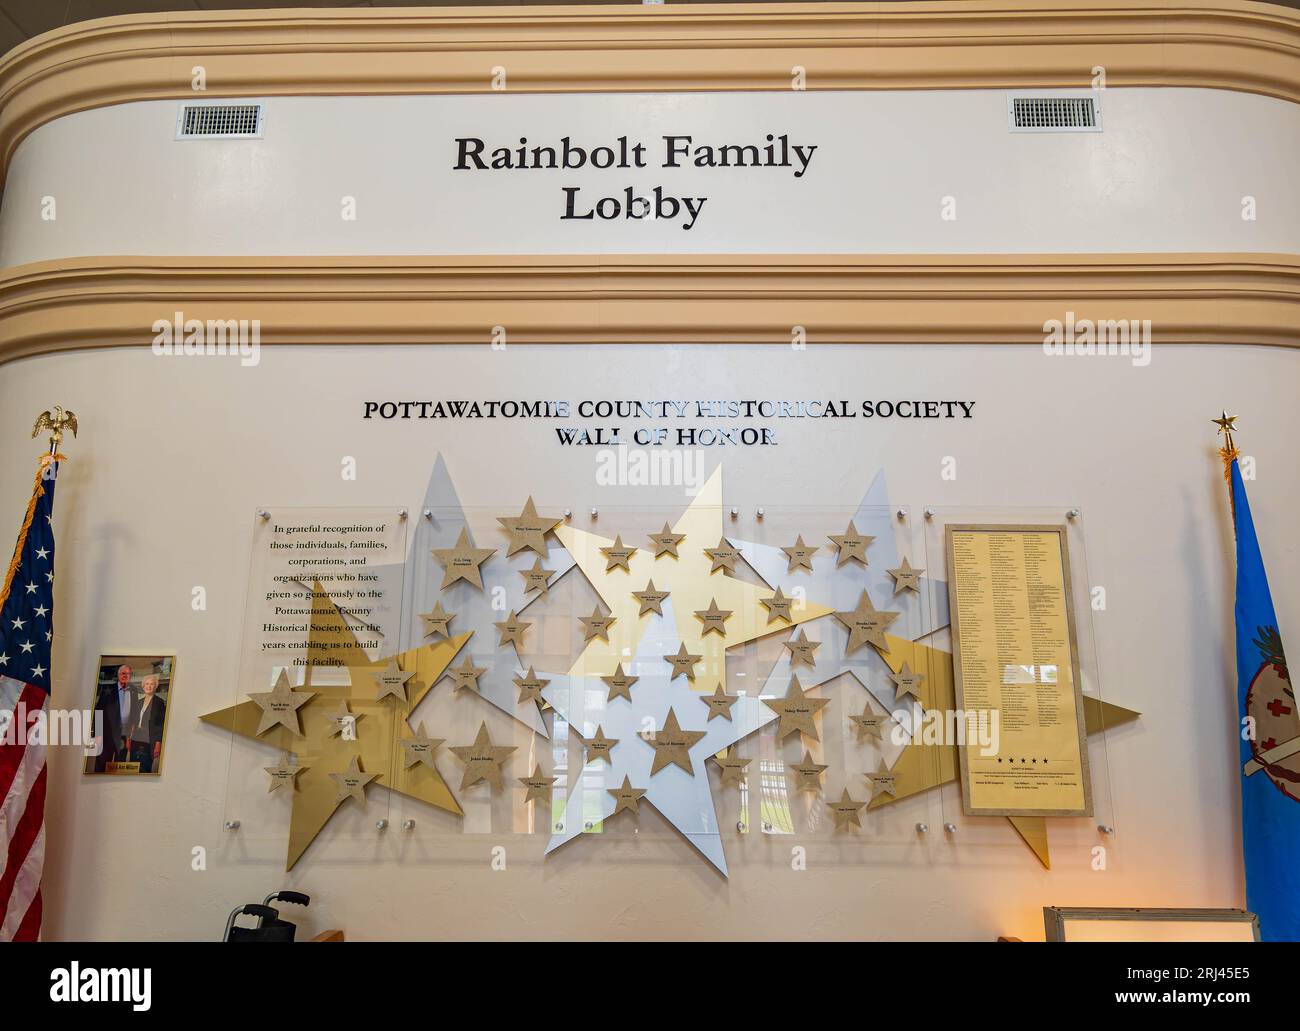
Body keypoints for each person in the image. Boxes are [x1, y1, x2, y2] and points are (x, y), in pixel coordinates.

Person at [90, 664, 133, 773]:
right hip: (106, 736)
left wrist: (130, 736)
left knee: (119, 768)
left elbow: (134, 714)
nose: (125, 676)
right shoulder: (107, 690)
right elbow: (98, 712)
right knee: (101, 766)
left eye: (128, 674)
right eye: (123, 673)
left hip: (123, 736)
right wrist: (98, 735)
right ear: (118, 675)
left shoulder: (134, 691)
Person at [126, 673, 166, 773]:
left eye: (152, 684)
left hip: (149, 739)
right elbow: (133, 723)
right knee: (133, 766)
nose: (149, 686)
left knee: (145, 766)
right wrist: (129, 739)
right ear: (143, 686)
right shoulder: (139, 702)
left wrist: (158, 744)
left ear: (155, 686)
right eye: (147, 684)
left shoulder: (159, 702)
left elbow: (160, 725)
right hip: (136, 737)